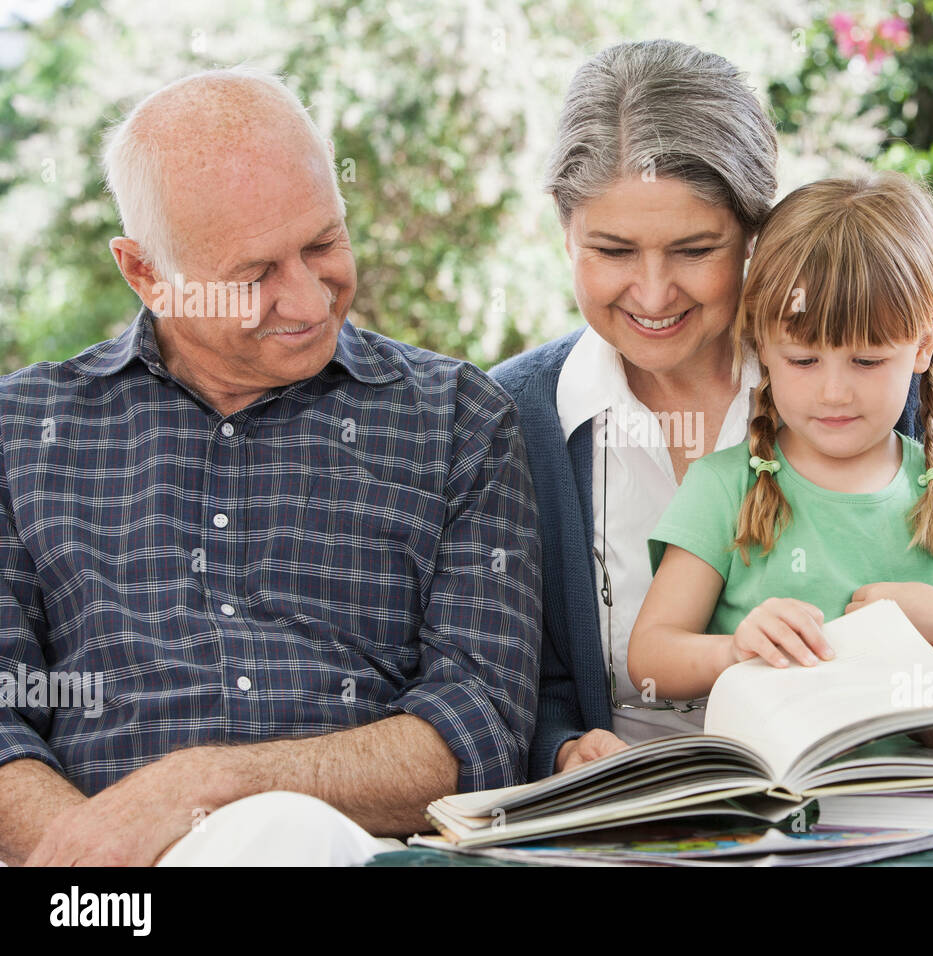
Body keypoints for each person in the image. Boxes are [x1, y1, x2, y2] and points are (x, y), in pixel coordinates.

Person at [0, 66, 542, 866]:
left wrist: (215, 785)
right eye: (254, 277)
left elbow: (480, 727)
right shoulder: (21, 431)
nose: (310, 299)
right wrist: (97, 864)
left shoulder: (459, 418)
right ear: (146, 274)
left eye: (324, 244)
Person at [491, 39, 933, 781]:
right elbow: (487, 673)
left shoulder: (876, 388)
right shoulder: (512, 418)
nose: (653, 295)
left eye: (695, 249)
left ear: (756, 235)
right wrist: (558, 745)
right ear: (565, 235)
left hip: (859, 807)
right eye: (613, 250)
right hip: (631, 818)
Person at [627, 174, 933, 739]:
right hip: (771, 810)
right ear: (760, 343)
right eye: (803, 361)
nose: (834, 393)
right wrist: (735, 649)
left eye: (866, 362)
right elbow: (650, 657)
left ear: (923, 345)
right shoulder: (723, 487)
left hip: (920, 812)